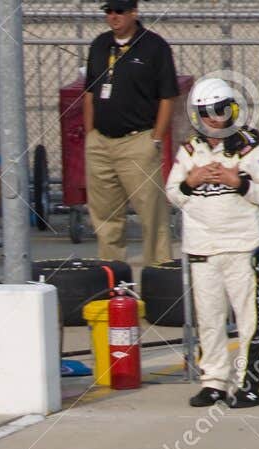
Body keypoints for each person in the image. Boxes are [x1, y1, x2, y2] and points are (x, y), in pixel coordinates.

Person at [165, 78, 259, 410]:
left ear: (230, 109)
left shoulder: (251, 147)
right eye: (205, 113)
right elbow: (172, 194)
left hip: (242, 246)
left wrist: (237, 182)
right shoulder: (189, 151)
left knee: (249, 320)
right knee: (209, 318)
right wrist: (192, 180)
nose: (212, 119)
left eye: (219, 111)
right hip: (202, 247)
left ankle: (249, 384)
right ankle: (213, 381)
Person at [81, 0, 178, 267]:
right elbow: (89, 92)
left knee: (152, 214)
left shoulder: (154, 47)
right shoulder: (100, 44)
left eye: (119, 11)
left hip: (137, 141)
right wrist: (91, 135)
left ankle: (157, 270)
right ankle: (112, 276)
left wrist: (155, 139)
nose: (113, 16)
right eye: (108, 11)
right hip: (101, 142)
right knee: (105, 216)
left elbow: (168, 97)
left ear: (134, 12)